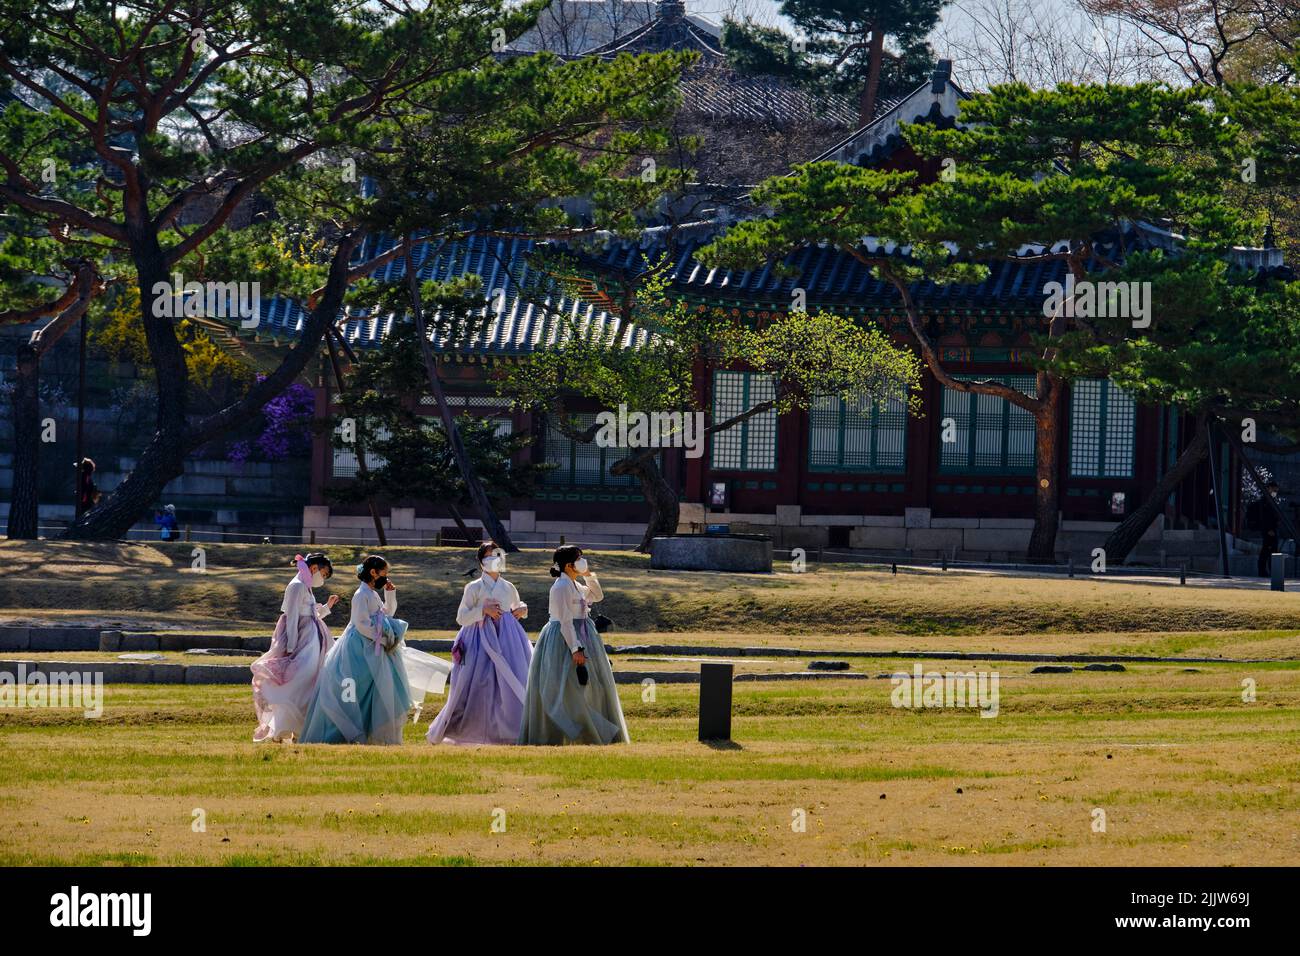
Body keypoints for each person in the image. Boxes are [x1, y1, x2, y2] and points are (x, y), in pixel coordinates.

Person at [300, 555, 449, 745]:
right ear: (373, 573)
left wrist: (390, 595)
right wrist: (381, 637)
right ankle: (348, 731)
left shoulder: (372, 593)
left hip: (374, 644)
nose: (385, 578)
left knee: (377, 688)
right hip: (360, 646)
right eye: (384, 574)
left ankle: (372, 731)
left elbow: (386, 613)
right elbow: (361, 623)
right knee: (357, 687)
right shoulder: (360, 595)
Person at [518, 545, 628, 746]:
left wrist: (588, 575)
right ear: (569, 565)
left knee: (589, 685)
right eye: (579, 559)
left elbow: (597, 595)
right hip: (564, 639)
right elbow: (565, 621)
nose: (582, 562)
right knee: (563, 685)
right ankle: (566, 732)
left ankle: (590, 731)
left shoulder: (576, 585)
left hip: (583, 634)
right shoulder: (560, 587)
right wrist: (575, 648)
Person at [427, 542, 533, 745]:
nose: (493, 559)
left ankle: (507, 728)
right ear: (481, 561)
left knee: (508, 681)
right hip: (478, 638)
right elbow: (461, 617)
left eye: (496, 555)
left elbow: (516, 607)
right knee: (477, 682)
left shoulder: (508, 587)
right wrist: (482, 611)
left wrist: (522, 609)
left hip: (506, 639)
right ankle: (470, 729)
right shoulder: (473, 587)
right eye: (488, 556)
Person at [251, 553, 337, 743]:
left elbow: (310, 614)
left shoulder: (304, 586)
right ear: (314, 568)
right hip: (303, 642)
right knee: (299, 682)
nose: (322, 579)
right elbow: (292, 617)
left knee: (307, 683)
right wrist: (291, 646)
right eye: (323, 574)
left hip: (312, 640)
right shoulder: (297, 586)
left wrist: (327, 607)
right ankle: (285, 729)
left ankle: (297, 729)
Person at [1248, 481, 1283, 577]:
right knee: (1266, 551)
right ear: (1268, 489)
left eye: (1276, 490)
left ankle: (1271, 572)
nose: (1275, 491)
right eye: (1273, 489)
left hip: (1273, 529)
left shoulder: (1272, 500)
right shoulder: (1264, 502)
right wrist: (1268, 529)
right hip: (1268, 530)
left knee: (1272, 551)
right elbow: (1264, 517)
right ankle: (1263, 571)